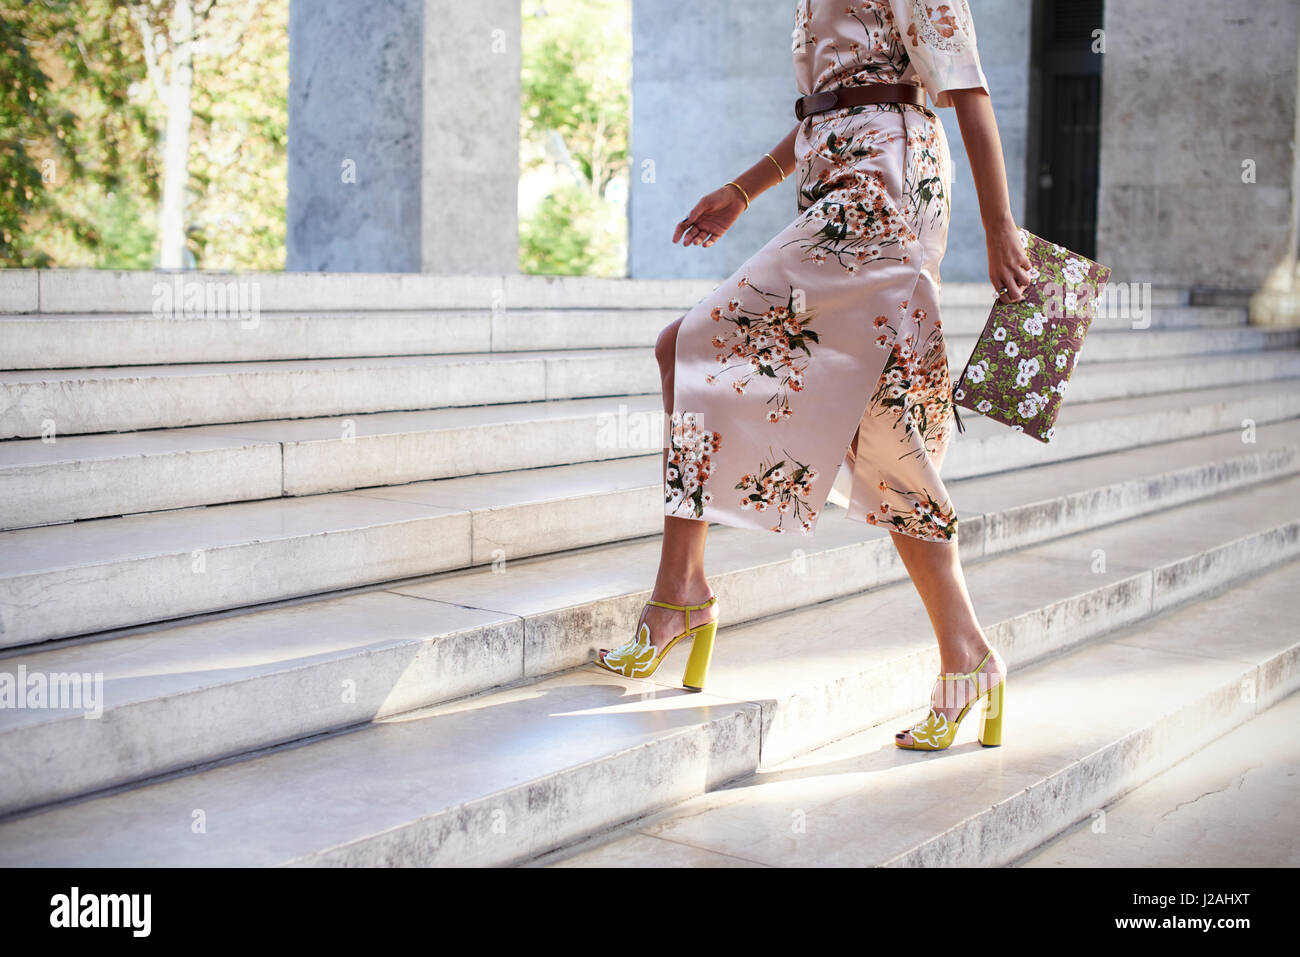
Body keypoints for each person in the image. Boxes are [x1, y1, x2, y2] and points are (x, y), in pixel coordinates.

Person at [596, 0, 1029, 751]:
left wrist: (1000, 228)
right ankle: (968, 655)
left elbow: (965, 82)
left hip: (884, 191)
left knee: (686, 344)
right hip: (837, 181)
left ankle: (679, 596)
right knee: (884, 425)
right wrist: (741, 189)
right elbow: (827, 105)